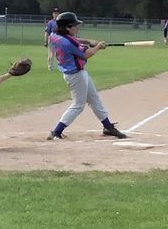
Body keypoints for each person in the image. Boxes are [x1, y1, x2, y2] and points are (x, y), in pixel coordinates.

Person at [47, 11, 127, 141]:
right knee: (78, 105)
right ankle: (56, 131)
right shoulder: (68, 43)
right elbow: (85, 54)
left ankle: (107, 126)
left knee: (94, 98)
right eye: (74, 25)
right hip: (75, 75)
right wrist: (98, 47)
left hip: (75, 73)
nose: (77, 28)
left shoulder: (54, 35)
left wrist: (87, 40)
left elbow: (72, 40)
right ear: (67, 27)